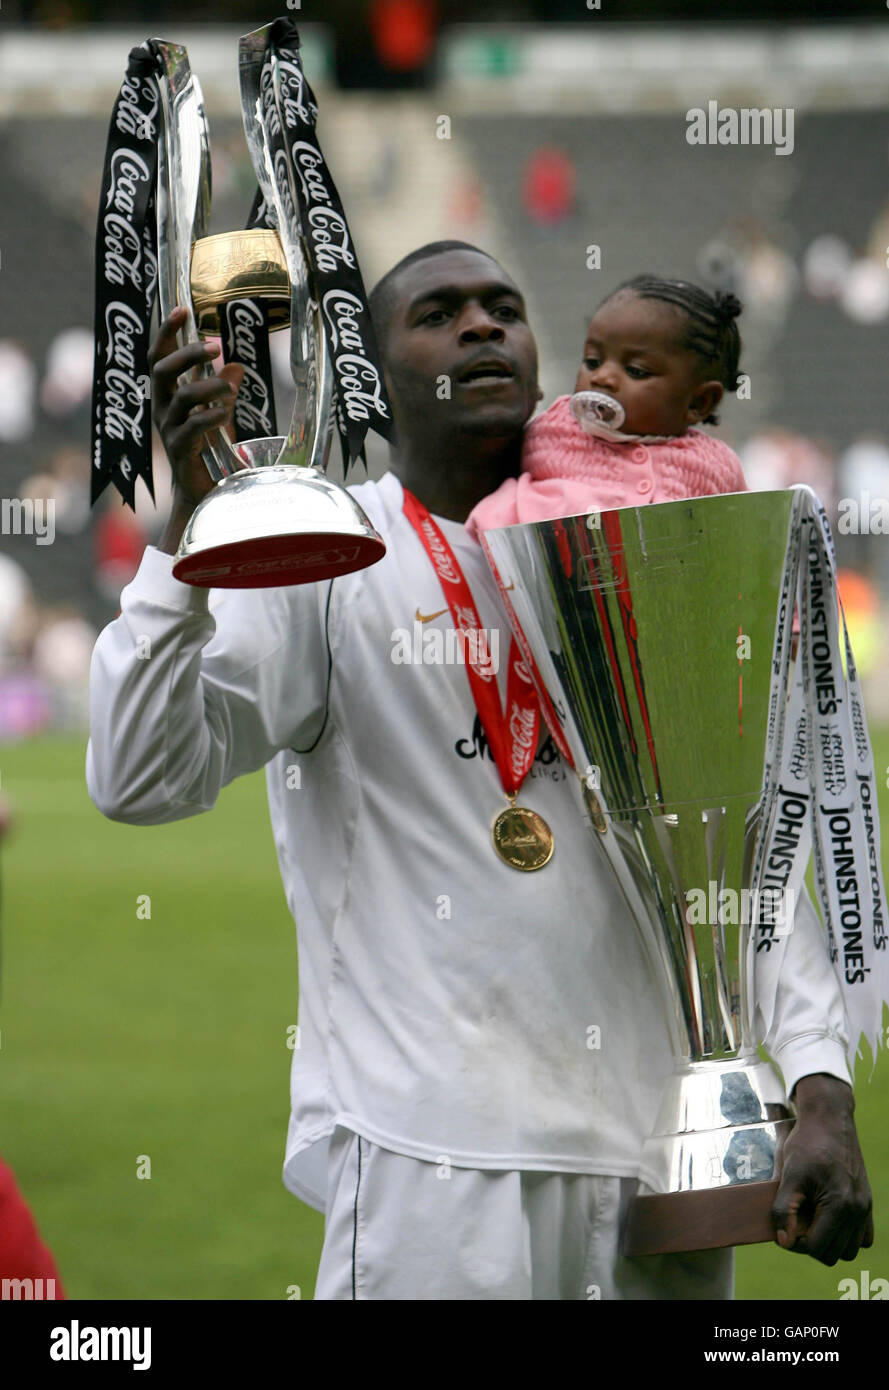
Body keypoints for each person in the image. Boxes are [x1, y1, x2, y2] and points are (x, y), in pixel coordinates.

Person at [86, 242, 872, 1300]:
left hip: (661, 1168)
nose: (481, 326)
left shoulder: (653, 548)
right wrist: (189, 544)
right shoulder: (329, 552)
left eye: (503, 305)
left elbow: (748, 859)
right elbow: (138, 773)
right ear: (371, 365)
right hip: (433, 1166)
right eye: (439, 312)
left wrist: (820, 1084)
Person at [467, 275, 748, 535]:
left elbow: (747, 537)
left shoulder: (716, 466)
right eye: (592, 361)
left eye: (636, 371)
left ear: (700, 402)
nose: (602, 377)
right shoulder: (551, 427)